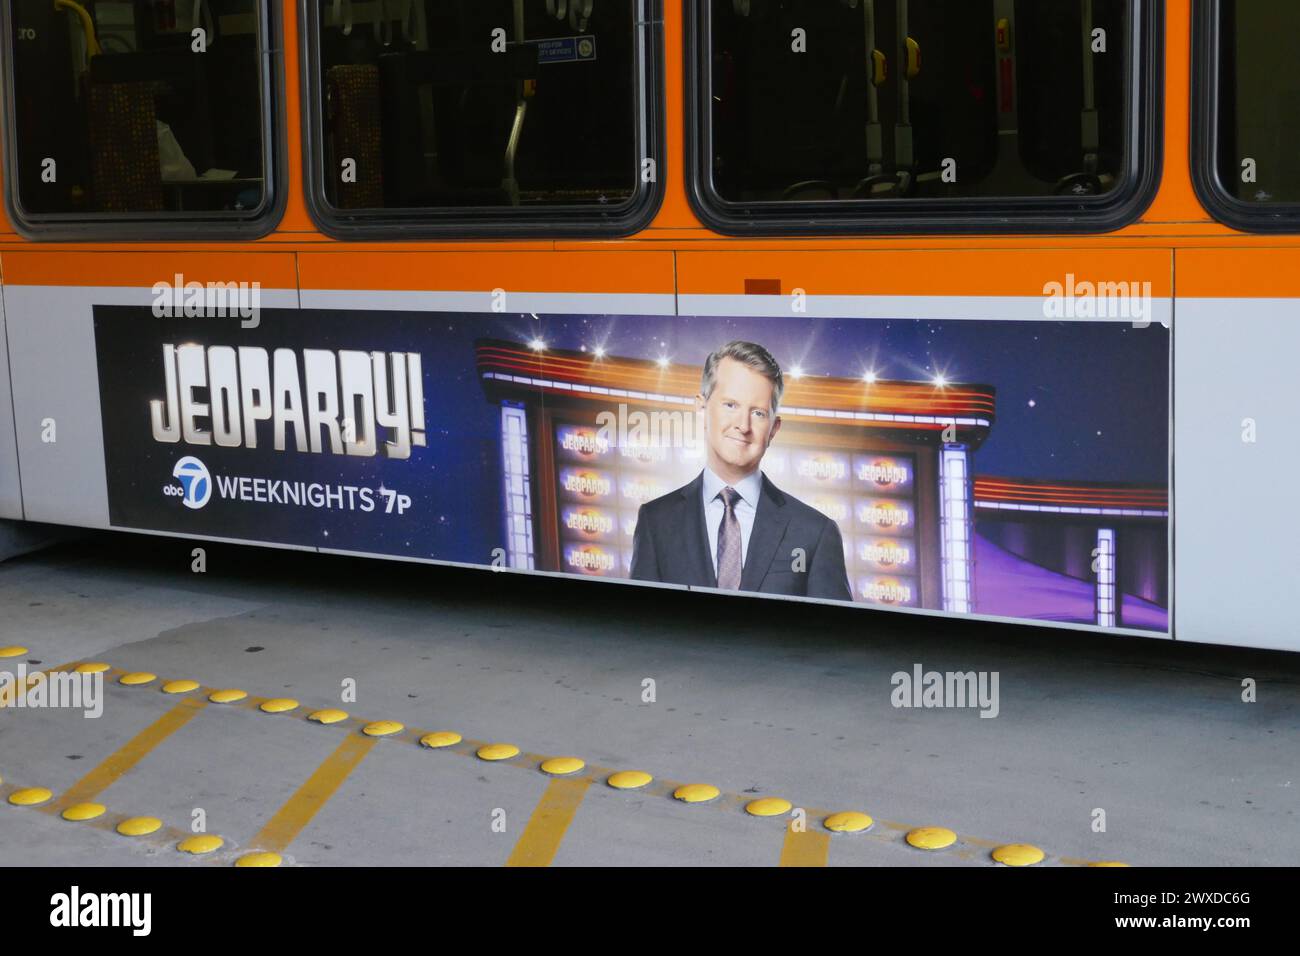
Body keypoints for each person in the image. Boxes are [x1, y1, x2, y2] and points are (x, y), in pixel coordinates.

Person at [630, 340, 853, 601]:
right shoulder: (656, 521)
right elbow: (640, 628)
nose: (743, 425)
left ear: (774, 429)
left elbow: (835, 635)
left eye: (758, 413)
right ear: (701, 410)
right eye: (730, 405)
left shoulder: (815, 532)